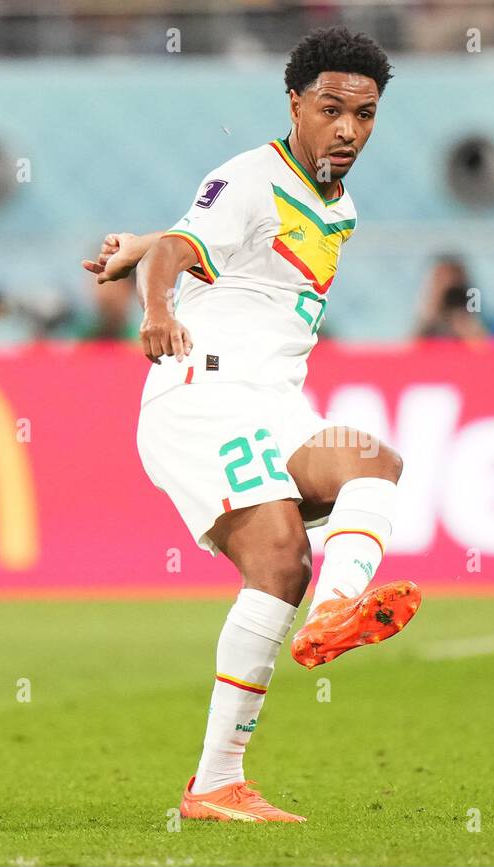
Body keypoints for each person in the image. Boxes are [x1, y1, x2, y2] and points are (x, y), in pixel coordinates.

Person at [80, 26, 420, 824]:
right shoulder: (250, 178)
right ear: (295, 103)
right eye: (331, 109)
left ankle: (226, 769)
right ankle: (221, 772)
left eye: (365, 115)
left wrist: (137, 245)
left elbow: (206, 248)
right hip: (203, 393)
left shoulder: (340, 202)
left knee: (367, 472)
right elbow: (180, 247)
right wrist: (156, 304)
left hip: (273, 401)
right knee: (282, 552)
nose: (348, 129)